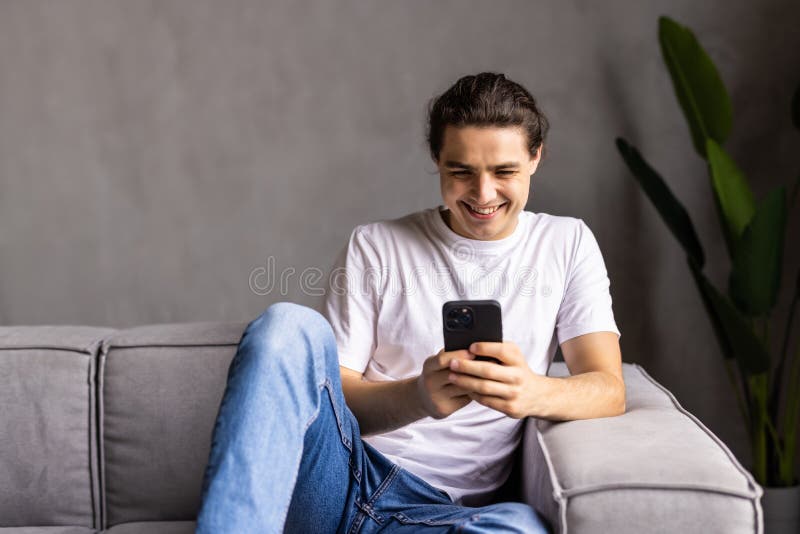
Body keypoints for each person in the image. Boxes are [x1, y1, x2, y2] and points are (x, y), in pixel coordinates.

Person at [196, 72, 625, 533]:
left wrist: (531, 392)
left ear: (535, 158)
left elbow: (608, 388)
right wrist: (418, 396)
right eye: (461, 172)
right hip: (342, 480)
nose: (483, 194)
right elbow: (335, 400)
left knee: (519, 528)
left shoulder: (567, 243)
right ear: (437, 159)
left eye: (504, 172)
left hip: (437, 516)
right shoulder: (375, 246)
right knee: (286, 324)